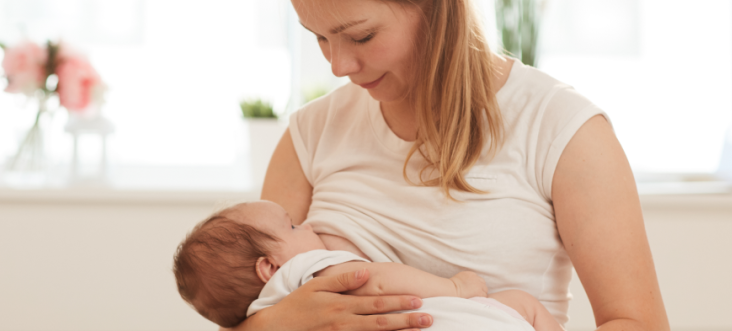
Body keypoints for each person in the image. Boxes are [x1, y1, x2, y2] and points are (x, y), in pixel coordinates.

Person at [234, 0, 671, 330]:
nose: (338, 65)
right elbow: (246, 303)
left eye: (361, 36)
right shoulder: (312, 132)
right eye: (319, 37)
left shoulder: (561, 128)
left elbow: (636, 322)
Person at [174, 200, 563, 331]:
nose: (307, 225)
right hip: (449, 318)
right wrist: (457, 288)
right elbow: (375, 280)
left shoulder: (264, 308)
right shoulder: (304, 272)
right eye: (293, 226)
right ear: (269, 268)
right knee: (523, 304)